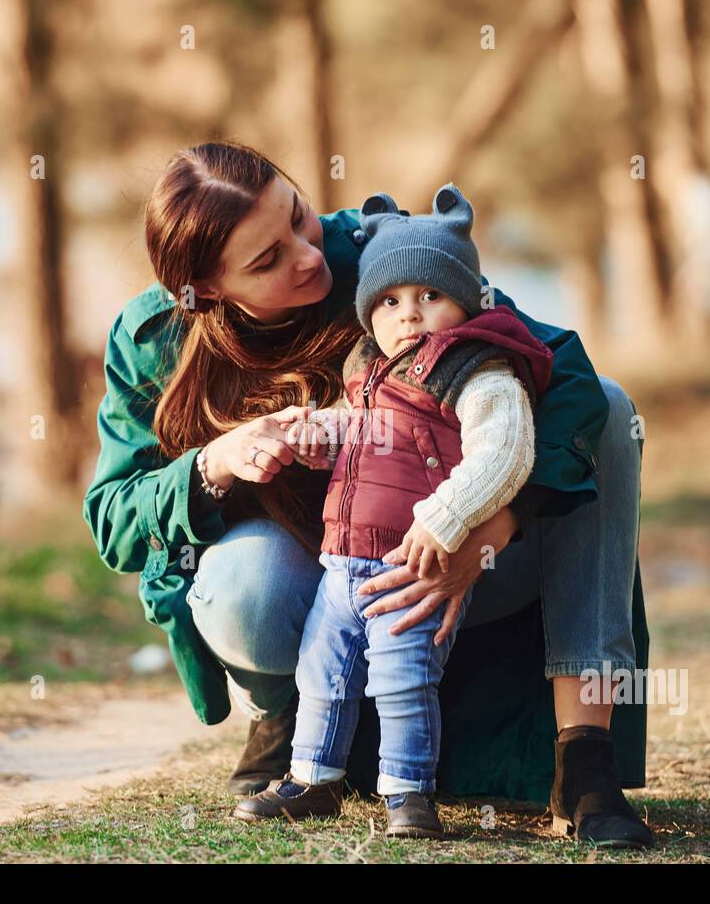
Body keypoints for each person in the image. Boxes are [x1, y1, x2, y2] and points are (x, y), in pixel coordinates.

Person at [83, 140, 654, 848]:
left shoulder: (385, 254)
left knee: (607, 406)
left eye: (298, 215)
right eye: (267, 260)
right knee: (245, 581)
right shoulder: (152, 341)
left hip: (453, 573)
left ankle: (584, 758)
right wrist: (214, 463)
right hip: (325, 594)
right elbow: (114, 519)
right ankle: (285, 717)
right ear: (208, 291)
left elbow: (560, 372)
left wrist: (485, 533)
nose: (307, 256)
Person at [230, 183, 555, 838]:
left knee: (403, 679)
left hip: (413, 561)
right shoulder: (369, 373)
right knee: (322, 671)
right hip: (341, 565)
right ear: (370, 313)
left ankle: (408, 791)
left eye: (429, 296)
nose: (409, 313)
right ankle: (312, 777)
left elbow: (506, 451)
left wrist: (447, 517)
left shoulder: (474, 370)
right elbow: (361, 437)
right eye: (389, 300)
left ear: (462, 300)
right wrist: (314, 436)